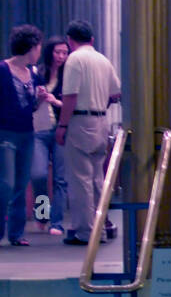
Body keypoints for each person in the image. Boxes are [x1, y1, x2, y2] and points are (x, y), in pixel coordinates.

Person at [57, 20, 121, 246]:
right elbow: (116, 93)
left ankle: (86, 232)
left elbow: (70, 96)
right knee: (97, 179)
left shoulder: (75, 59)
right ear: (92, 39)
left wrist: (62, 125)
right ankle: (101, 226)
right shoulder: (103, 60)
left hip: (80, 121)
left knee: (80, 179)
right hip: (101, 121)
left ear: (70, 40)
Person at [0, 24, 49, 246]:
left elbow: (32, 107)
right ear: (30, 47)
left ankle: (18, 232)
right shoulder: (3, 69)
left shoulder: (34, 74)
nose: (40, 52)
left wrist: (40, 99)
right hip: (5, 132)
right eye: (38, 47)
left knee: (23, 183)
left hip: (28, 132)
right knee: (7, 183)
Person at [31, 35, 69, 238]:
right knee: (39, 175)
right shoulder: (37, 73)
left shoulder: (69, 75)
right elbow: (30, 105)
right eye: (57, 52)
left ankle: (57, 222)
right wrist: (38, 99)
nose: (61, 56)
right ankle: (42, 213)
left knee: (60, 179)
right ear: (49, 52)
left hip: (62, 129)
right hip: (40, 129)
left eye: (65, 52)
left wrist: (55, 101)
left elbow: (72, 105)